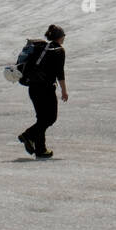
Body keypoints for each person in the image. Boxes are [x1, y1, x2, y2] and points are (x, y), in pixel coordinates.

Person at [20, 24, 68, 159]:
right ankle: (28, 135)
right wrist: (64, 91)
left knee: (42, 119)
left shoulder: (41, 48)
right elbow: (60, 73)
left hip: (33, 88)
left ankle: (40, 149)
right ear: (60, 37)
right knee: (50, 118)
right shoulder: (59, 50)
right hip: (46, 89)